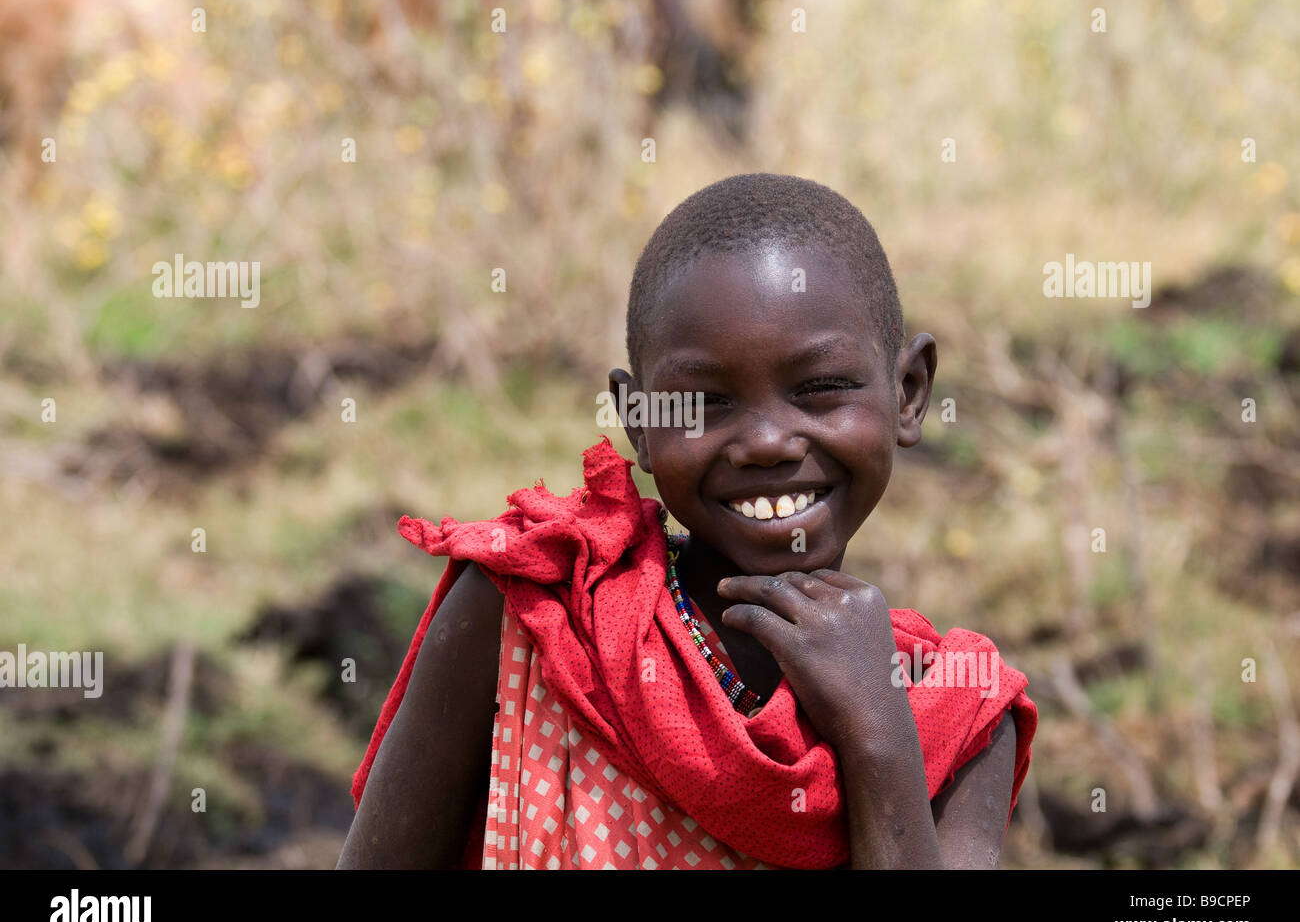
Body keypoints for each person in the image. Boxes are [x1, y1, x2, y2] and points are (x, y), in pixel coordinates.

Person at [337, 172, 1038, 869]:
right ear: (637, 418)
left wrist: (877, 735)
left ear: (909, 393)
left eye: (820, 389)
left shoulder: (953, 707)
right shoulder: (536, 617)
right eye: (703, 403)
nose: (767, 442)